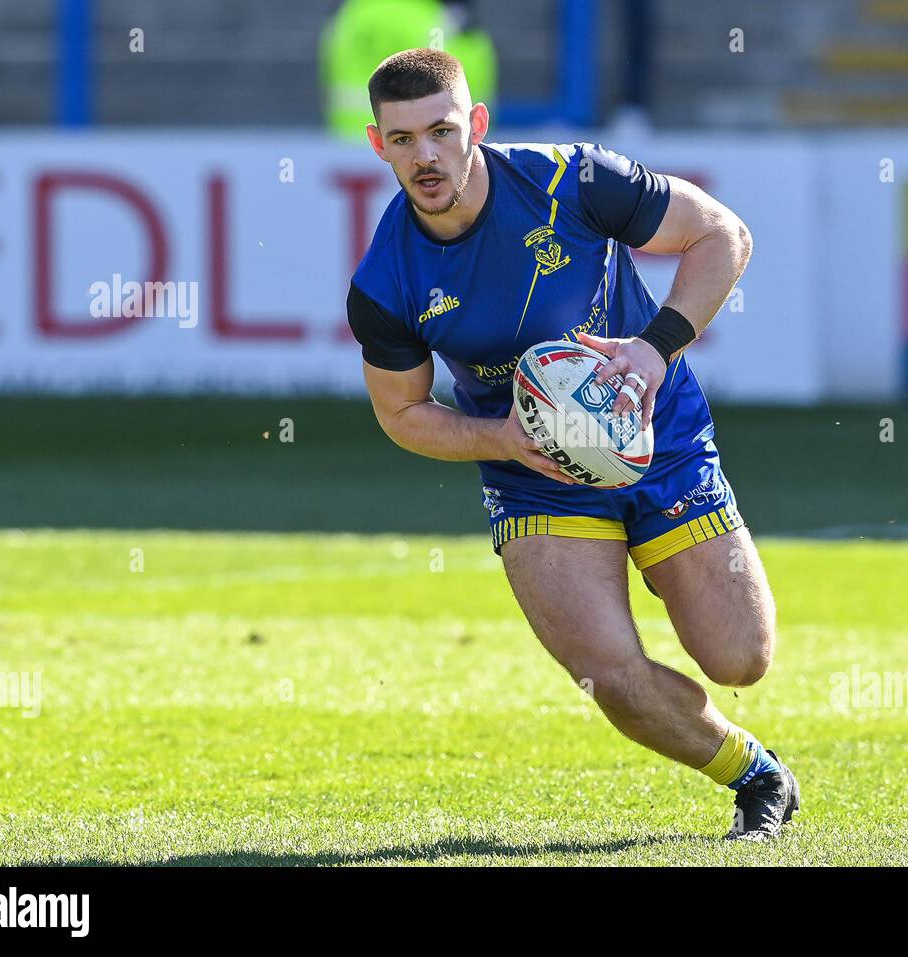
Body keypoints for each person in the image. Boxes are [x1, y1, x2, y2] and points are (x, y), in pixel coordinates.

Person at [346, 49, 797, 841]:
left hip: (657, 436)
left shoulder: (576, 182)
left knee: (739, 657)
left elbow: (722, 235)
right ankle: (756, 774)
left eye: (441, 132)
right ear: (378, 144)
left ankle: (671, 560)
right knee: (609, 676)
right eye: (404, 139)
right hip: (532, 475)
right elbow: (402, 413)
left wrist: (656, 347)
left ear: (475, 126)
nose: (425, 156)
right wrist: (501, 438)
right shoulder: (385, 282)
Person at [321, 0, 497, 140]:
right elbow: (467, 76)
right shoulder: (437, 19)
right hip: (424, 147)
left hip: (348, 139)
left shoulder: (350, 14)